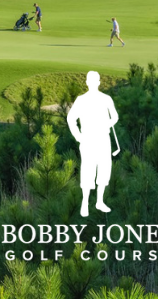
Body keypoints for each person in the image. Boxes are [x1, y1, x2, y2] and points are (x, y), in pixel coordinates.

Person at [67, 70, 119, 217]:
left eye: (95, 81)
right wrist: (78, 136)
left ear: (98, 82)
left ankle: (100, 201)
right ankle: (85, 203)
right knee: (88, 169)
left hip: (103, 138)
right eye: (90, 81)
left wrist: (107, 123)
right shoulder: (81, 100)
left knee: (104, 168)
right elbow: (71, 119)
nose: (92, 83)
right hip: (88, 139)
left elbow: (114, 116)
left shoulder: (106, 99)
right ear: (87, 83)